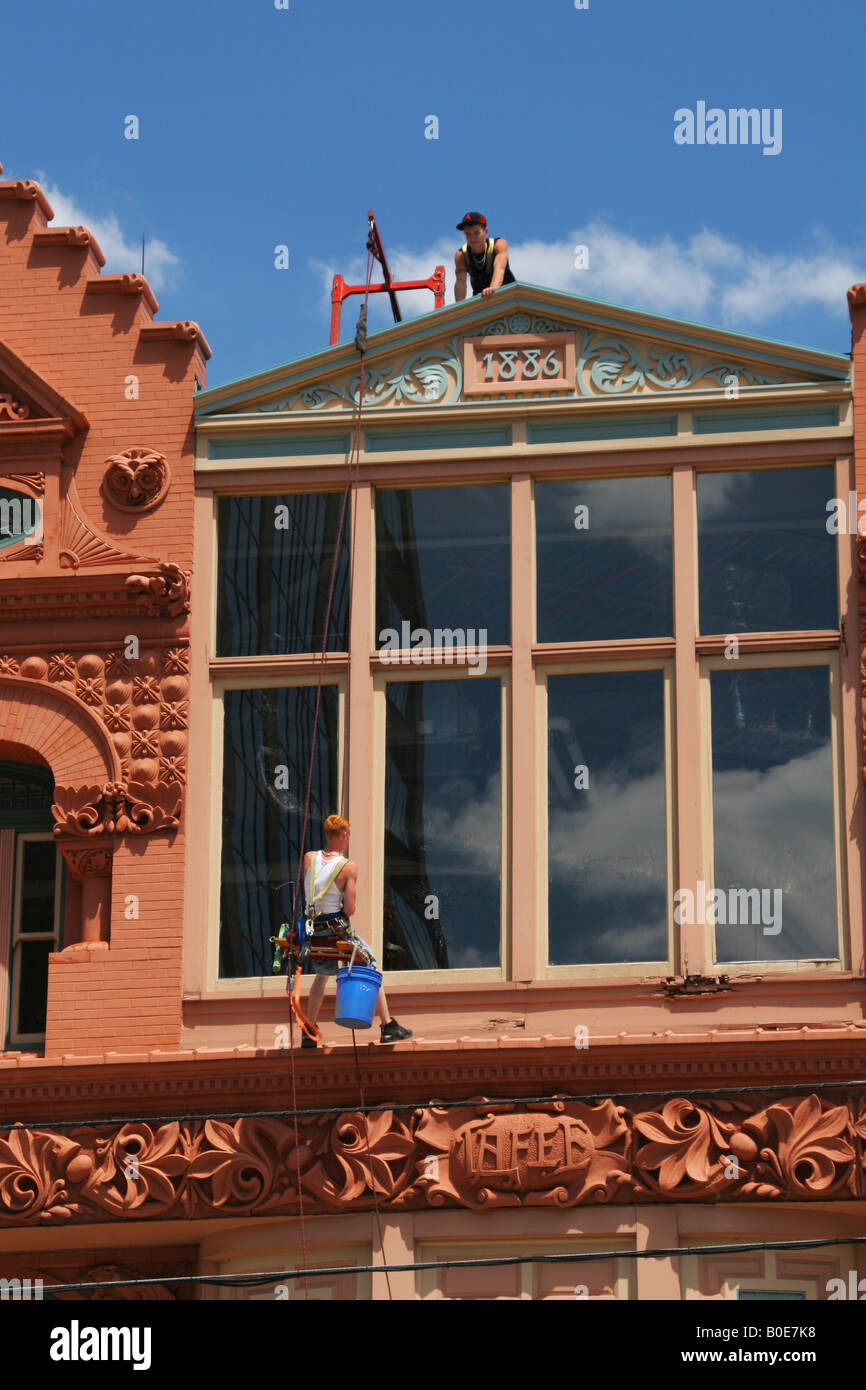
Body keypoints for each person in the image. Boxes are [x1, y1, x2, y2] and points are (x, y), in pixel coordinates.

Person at [300, 814, 412, 1049]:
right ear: (343, 835)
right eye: (347, 835)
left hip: (314, 933)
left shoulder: (309, 858)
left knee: (322, 976)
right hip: (335, 932)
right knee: (370, 964)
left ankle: (309, 1028)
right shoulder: (348, 867)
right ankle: (388, 1025)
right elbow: (350, 910)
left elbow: (312, 888)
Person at [454, 211, 515, 300]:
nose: (472, 238)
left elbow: (499, 268)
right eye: (468, 234)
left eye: (476, 233)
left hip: (508, 295)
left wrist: (492, 289)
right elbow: (460, 282)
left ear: (485, 231)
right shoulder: (461, 255)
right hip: (480, 299)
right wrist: (459, 308)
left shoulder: (499, 244)